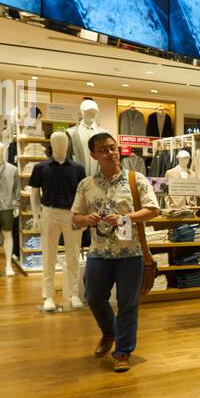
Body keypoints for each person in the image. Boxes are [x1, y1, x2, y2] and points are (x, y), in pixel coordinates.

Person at [71, 132, 159, 372]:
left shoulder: (136, 179)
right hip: (99, 252)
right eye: (103, 150)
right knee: (94, 296)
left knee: (128, 303)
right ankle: (109, 333)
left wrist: (125, 218)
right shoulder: (86, 184)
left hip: (130, 252)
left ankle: (122, 351)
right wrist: (85, 219)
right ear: (93, 155)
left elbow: (153, 210)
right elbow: (75, 217)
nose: (110, 153)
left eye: (112, 147)